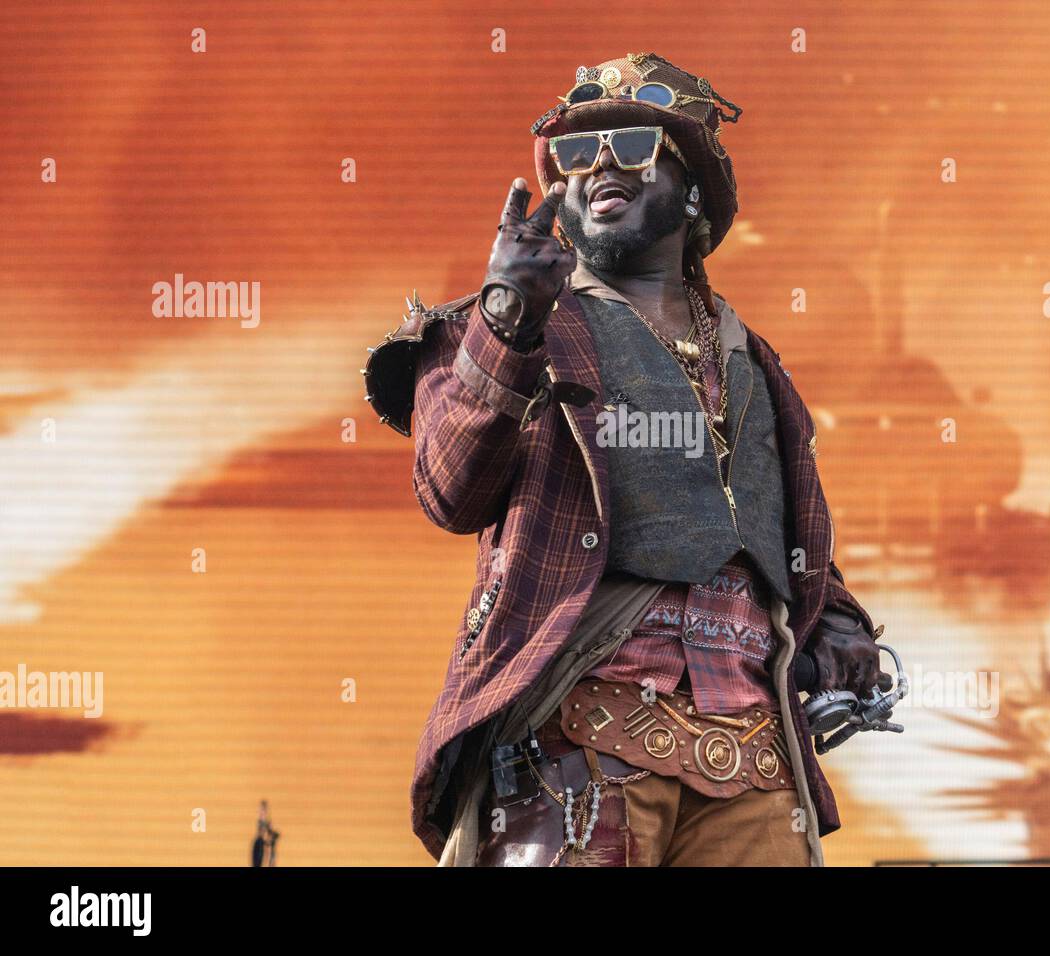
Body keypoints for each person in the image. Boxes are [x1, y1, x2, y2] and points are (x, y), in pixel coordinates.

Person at [363, 52, 890, 867]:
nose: (599, 163)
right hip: (577, 748)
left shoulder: (757, 361)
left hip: (757, 770)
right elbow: (448, 490)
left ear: (691, 187)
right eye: (575, 154)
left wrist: (841, 622)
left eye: (632, 144)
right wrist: (505, 321)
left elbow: (778, 534)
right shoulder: (502, 326)